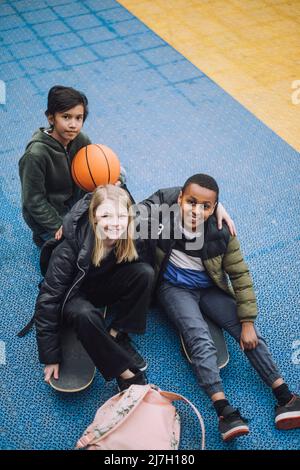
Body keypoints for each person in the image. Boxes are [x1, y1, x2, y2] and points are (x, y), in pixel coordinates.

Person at [141, 173, 300, 441]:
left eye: (205, 206)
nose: (196, 210)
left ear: (214, 208)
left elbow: (240, 276)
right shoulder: (164, 219)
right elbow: (141, 206)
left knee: (247, 333)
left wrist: (248, 323)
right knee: (199, 338)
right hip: (174, 289)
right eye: (191, 202)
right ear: (179, 198)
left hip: (209, 288)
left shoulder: (221, 232)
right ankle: (224, 411)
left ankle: (286, 397)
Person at [34, 185, 154, 391]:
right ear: (94, 216)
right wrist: (50, 355)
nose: (115, 223)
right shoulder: (70, 249)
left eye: (121, 216)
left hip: (101, 285)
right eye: (106, 215)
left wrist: (217, 207)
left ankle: (116, 335)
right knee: (84, 314)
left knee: (145, 273)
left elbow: (168, 202)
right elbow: (48, 300)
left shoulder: (131, 235)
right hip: (74, 294)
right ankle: (126, 374)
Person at [19, 85, 91, 247]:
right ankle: (44, 238)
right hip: (50, 218)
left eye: (78, 118)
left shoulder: (81, 140)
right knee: (81, 251)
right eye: (66, 117)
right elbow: (34, 201)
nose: (73, 125)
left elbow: (93, 166)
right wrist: (58, 225)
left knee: (118, 195)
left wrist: (113, 179)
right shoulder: (35, 155)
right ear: (51, 118)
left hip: (74, 205)